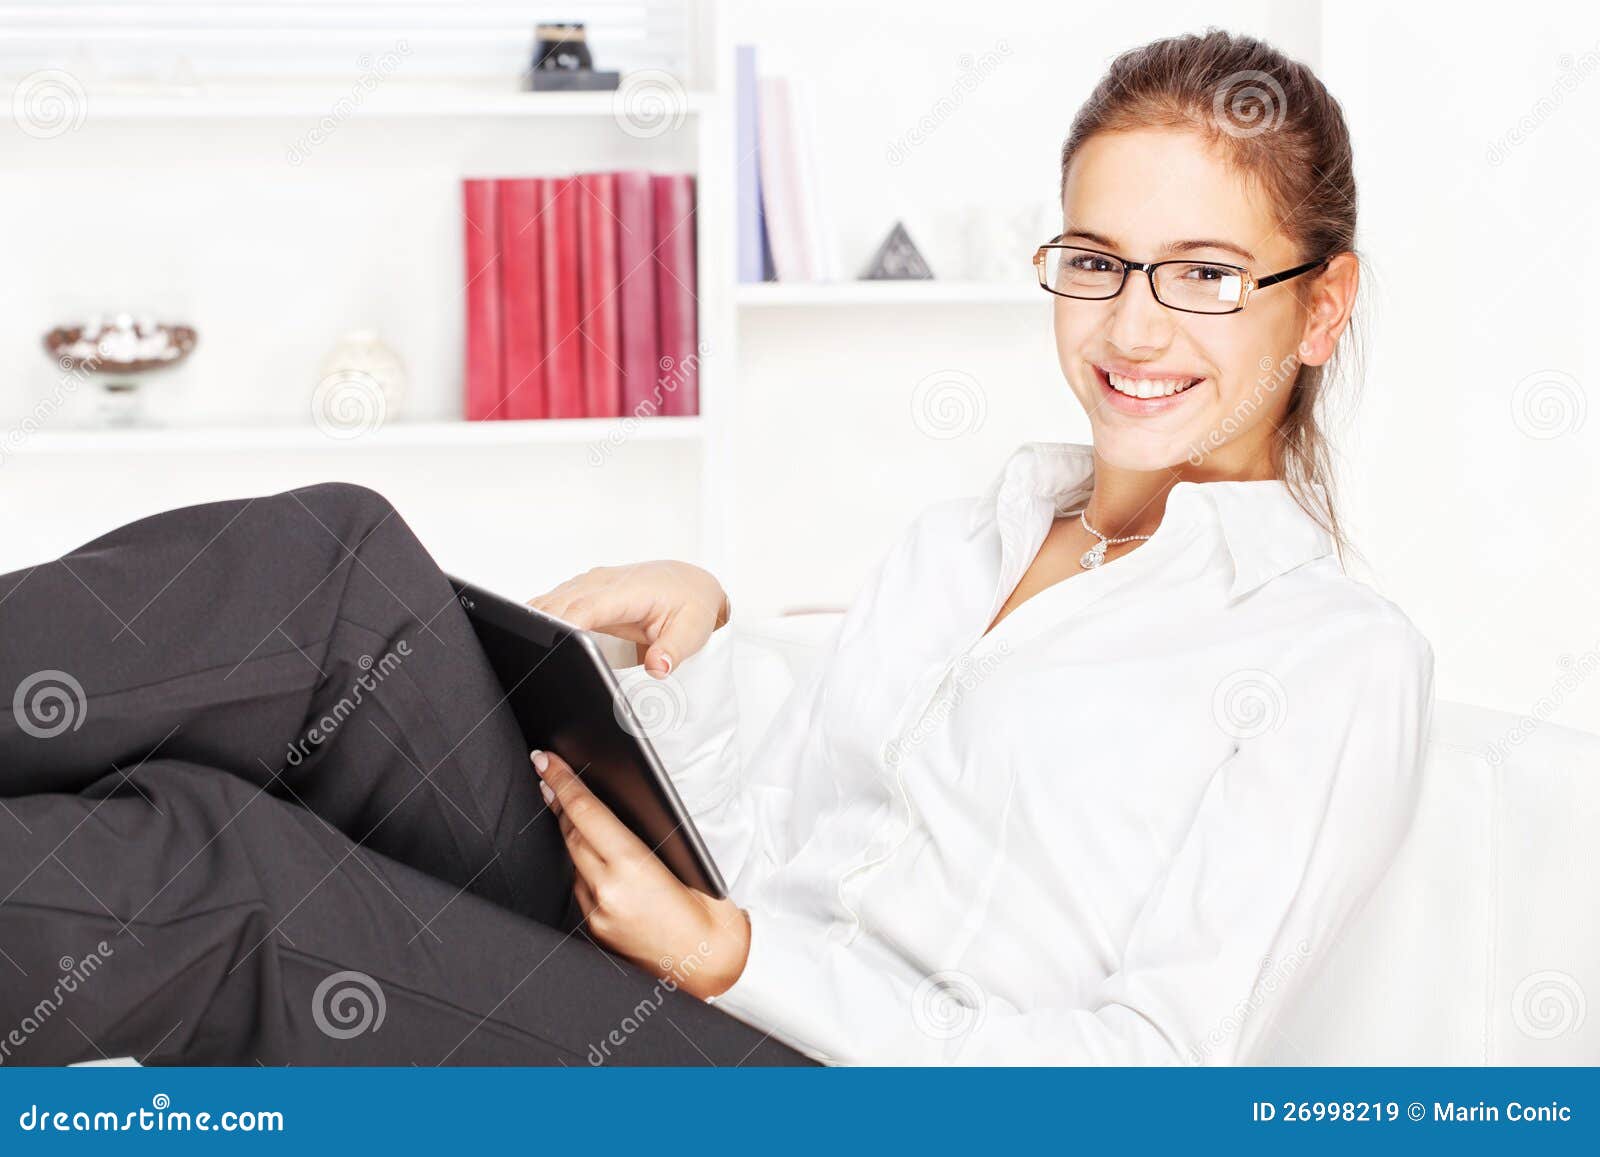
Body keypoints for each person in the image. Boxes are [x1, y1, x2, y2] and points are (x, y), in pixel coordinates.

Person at [0, 28, 1432, 1067]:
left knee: (216, 874)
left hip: (820, 1084)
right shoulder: (967, 538)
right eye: (1099, 262)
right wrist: (668, 681)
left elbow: (1153, 1075)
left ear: (1320, 306)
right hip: (691, 979)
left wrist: (738, 958)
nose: (1132, 325)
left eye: (1204, 276)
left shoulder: (1331, 660)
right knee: (342, 569)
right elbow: (807, 829)